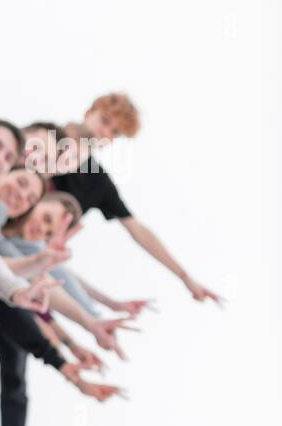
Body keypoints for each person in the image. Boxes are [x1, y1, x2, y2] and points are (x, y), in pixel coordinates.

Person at [32, 95, 222, 303]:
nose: (105, 132)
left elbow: (138, 230)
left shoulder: (97, 182)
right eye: (104, 121)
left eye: (115, 132)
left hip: (30, 256)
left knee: (69, 303)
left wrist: (184, 277)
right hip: (3, 225)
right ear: (89, 112)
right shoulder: (44, 137)